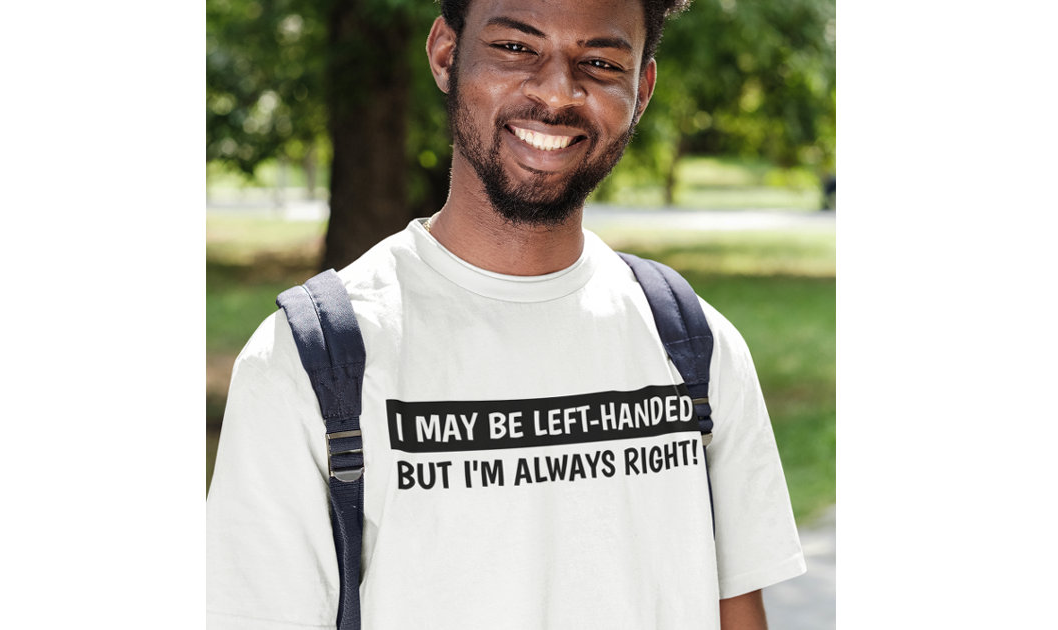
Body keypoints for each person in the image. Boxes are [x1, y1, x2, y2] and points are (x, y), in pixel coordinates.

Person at [207, 0, 805, 628]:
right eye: (516, 49)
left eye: (599, 62)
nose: (556, 93)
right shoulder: (310, 361)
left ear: (642, 88)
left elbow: (738, 612)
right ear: (446, 54)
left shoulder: (695, 344)